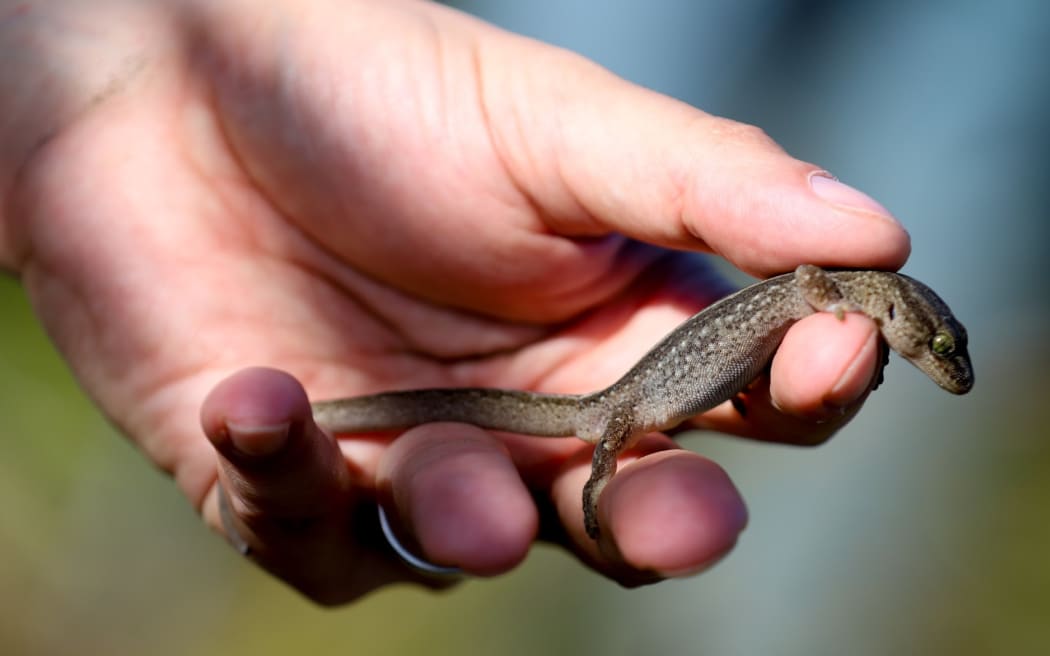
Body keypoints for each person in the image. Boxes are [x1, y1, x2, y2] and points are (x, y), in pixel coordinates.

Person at [0, 0, 908, 605]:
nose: (937, 362)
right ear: (913, 321)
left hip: (624, 400)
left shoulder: (834, 302)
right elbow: (807, 289)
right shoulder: (827, 287)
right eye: (938, 349)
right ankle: (598, 494)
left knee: (664, 487)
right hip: (618, 405)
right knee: (613, 471)